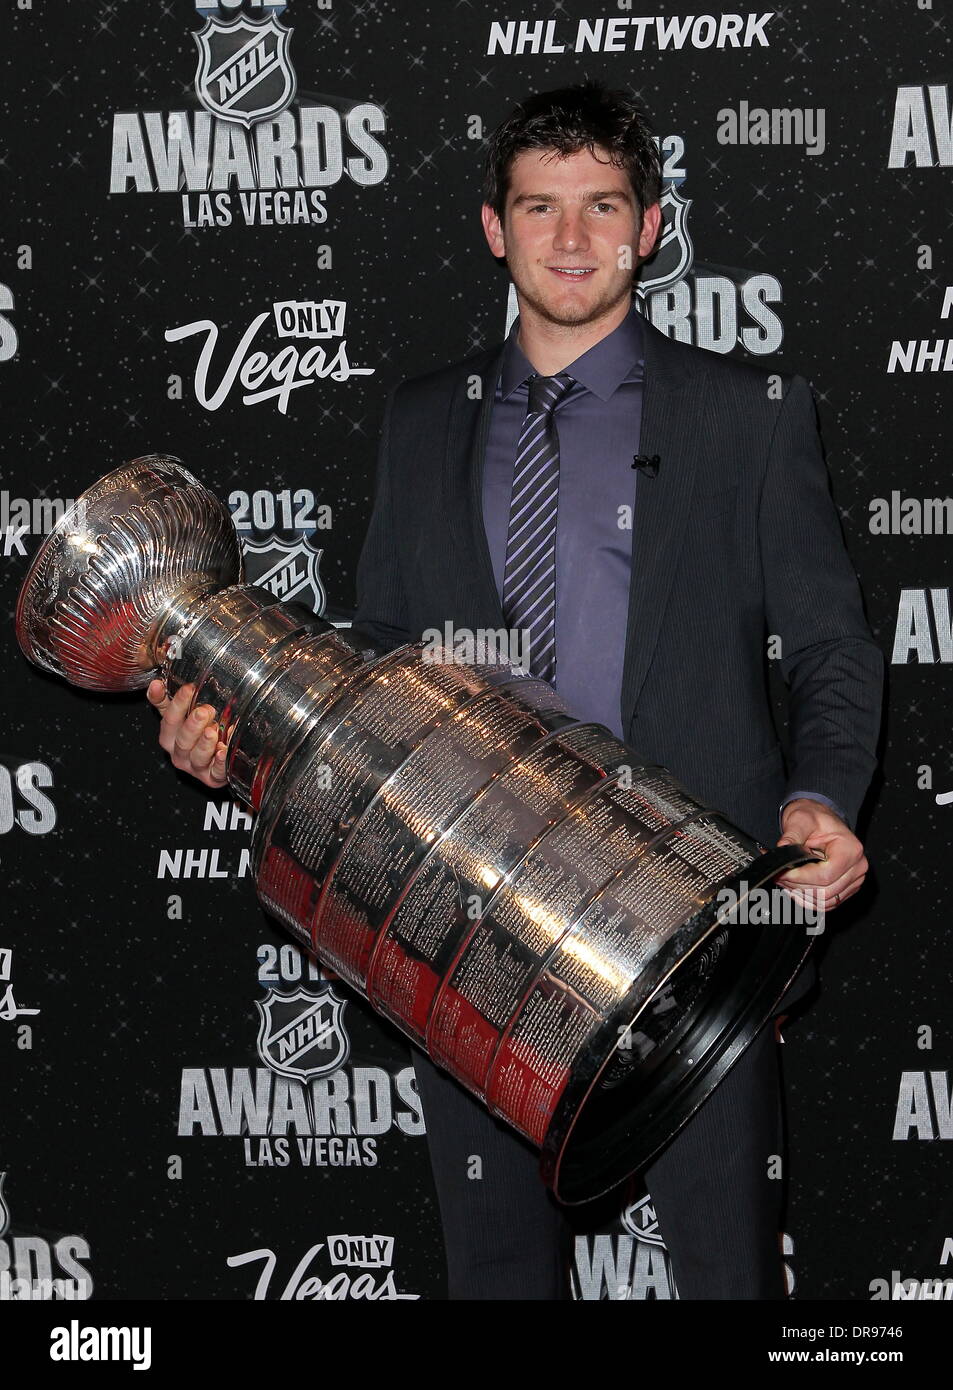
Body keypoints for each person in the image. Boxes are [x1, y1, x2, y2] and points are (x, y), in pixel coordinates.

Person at [148, 82, 884, 1301]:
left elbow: (830, 644)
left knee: (728, 1285)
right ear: (495, 228)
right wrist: (238, 747)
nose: (571, 239)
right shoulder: (423, 418)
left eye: (601, 206)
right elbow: (382, 666)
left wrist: (822, 797)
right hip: (470, 934)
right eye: (539, 208)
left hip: (697, 932)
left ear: (650, 224)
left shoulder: (746, 416)